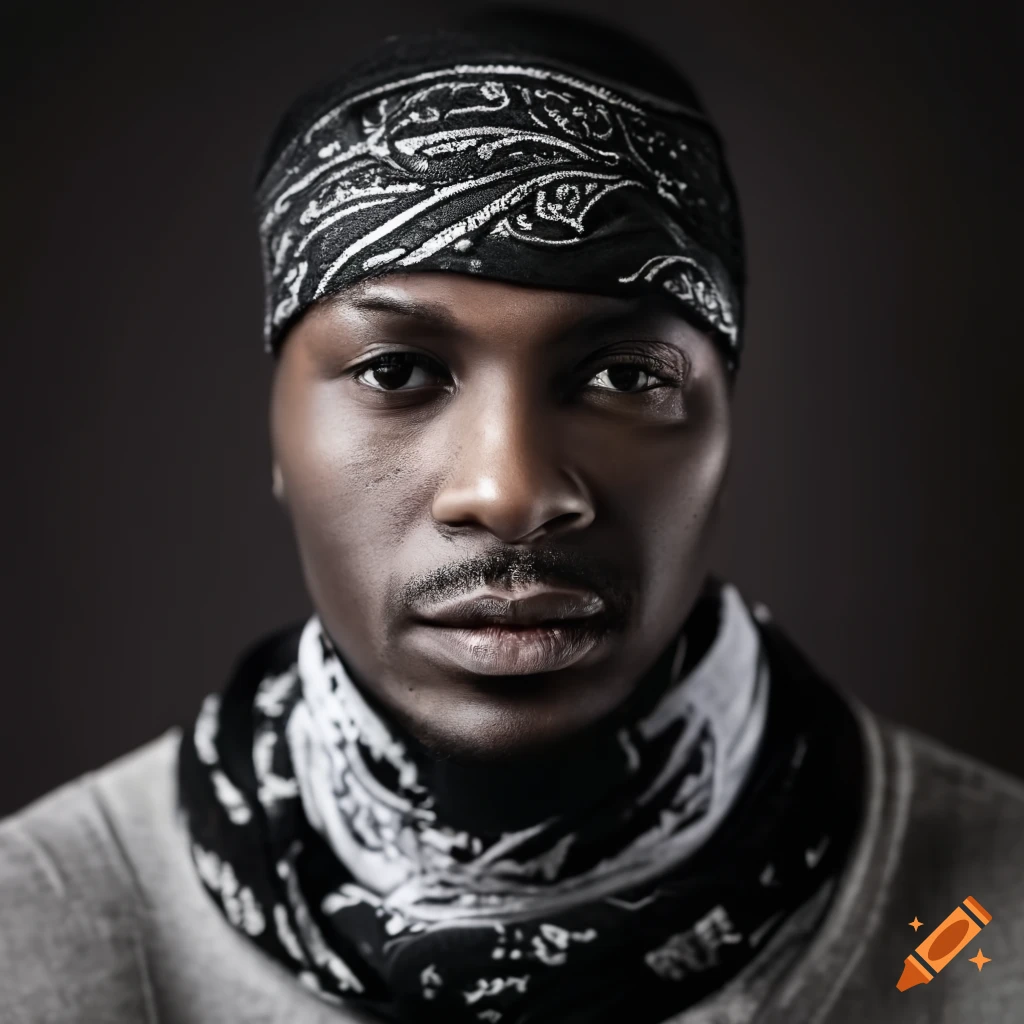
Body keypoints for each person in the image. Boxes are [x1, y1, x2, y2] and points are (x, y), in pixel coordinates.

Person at [2, 8, 1022, 1023]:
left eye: (624, 373)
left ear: (724, 427)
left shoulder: (984, 915)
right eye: (396, 370)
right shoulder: (47, 927)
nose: (510, 490)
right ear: (277, 439)